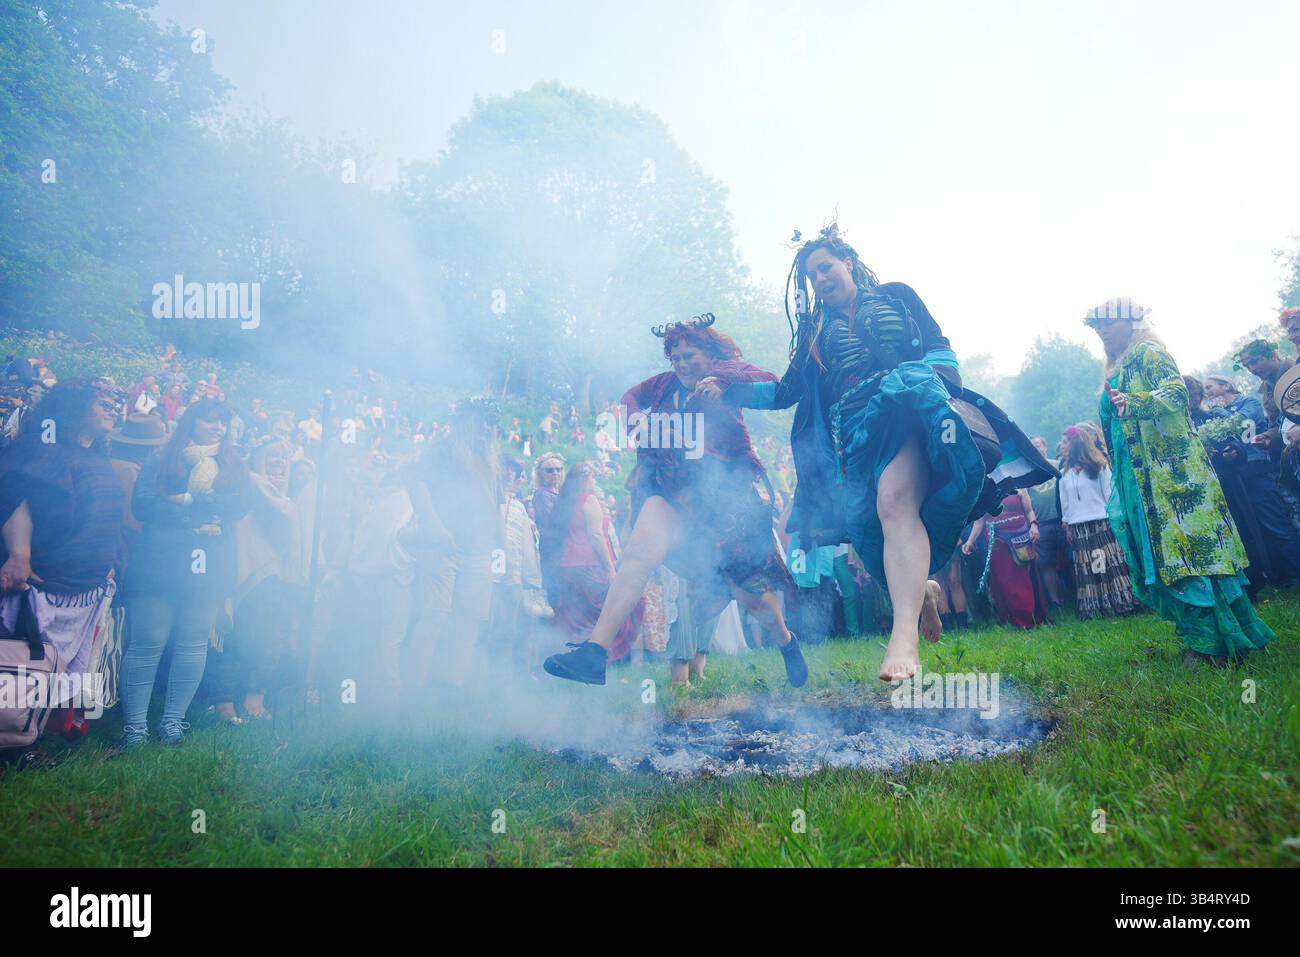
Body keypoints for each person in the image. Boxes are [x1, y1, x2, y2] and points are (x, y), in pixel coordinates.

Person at [710, 224, 1055, 679]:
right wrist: (730, 392)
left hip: (906, 411)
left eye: (826, 267)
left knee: (894, 501)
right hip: (852, 436)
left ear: (848, 262)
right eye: (812, 275)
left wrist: (928, 388)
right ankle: (924, 593)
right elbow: (786, 392)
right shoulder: (815, 329)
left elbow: (941, 350)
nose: (820, 279)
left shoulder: (897, 296)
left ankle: (903, 640)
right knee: (870, 535)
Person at [543, 315, 806, 687]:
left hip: (727, 505)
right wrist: (637, 423)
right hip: (672, 494)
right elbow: (629, 399)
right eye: (676, 357)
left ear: (708, 353)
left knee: (754, 600)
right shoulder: (664, 385)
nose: (682, 364)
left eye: (689, 355)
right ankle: (594, 653)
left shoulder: (727, 375)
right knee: (637, 553)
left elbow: (771, 382)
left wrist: (723, 379)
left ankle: (786, 642)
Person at [1087, 297, 1274, 663]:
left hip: (1172, 476)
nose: (1102, 331)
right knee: (1165, 553)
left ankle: (1213, 643)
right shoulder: (1119, 365)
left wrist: (1134, 401)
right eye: (1098, 327)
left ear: (1133, 322)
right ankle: (1207, 637)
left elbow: (1175, 393)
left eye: (1108, 323)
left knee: (1187, 551)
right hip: (1141, 477)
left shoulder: (1150, 352)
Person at [118, 399, 251, 746]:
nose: (217, 427)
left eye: (223, 422)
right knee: (148, 641)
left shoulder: (233, 464)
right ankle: (134, 728)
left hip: (209, 565)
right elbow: (143, 505)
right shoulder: (162, 458)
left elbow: (238, 505)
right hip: (159, 563)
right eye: (210, 420)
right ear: (192, 422)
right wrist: (196, 514)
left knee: (193, 642)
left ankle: (172, 723)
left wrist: (189, 500)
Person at [0, 383, 124, 744]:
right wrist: (19, 553)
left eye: (115, 403)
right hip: (45, 581)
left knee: (66, 666)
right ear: (75, 407)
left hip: (87, 586)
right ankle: (14, 735)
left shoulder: (98, 455)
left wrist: (110, 558)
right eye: (102, 403)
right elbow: (12, 496)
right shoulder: (41, 447)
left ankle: (46, 733)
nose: (113, 409)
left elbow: (106, 512)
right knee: (27, 660)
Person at [544, 460, 641, 664]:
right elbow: (596, 536)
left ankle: (572, 658)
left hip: (566, 569)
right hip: (589, 566)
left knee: (576, 617)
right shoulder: (589, 500)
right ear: (585, 479)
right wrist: (610, 568)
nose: (594, 481)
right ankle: (601, 659)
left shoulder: (564, 502)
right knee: (610, 611)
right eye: (592, 477)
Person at [1057, 424, 1136, 618]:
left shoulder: (1098, 467)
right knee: (1090, 566)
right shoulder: (1064, 474)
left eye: (1066, 442)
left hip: (1100, 523)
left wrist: (1114, 520)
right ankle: (1097, 605)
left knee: (1106, 562)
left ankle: (1119, 601)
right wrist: (1066, 524)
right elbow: (1064, 503)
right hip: (1078, 527)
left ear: (1075, 444)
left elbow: (1110, 496)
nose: (1062, 446)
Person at [963, 490, 1048, 629]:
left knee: (1025, 579)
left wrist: (1034, 525)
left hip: (1021, 539)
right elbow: (980, 520)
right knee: (1004, 581)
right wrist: (970, 541)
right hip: (997, 542)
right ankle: (1010, 619)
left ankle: (1029, 618)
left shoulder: (1019, 486)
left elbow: (1029, 511)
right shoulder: (987, 488)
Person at [1027, 435, 1066, 610]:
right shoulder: (1026, 472)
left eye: (1038, 445)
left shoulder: (1058, 466)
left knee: (1072, 559)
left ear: (1045, 446)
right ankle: (1056, 602)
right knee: (1046, 564)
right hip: (1041, 524)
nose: (1036, 449)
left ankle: (1078, 595)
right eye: (1032, 446)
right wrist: (1032, 523)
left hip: (1064, 520)